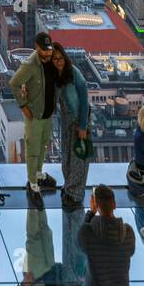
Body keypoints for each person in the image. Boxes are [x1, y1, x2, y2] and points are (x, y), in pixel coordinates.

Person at [9, 32, 60, 207]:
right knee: (32, 149)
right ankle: (32, 184)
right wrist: (23, 105)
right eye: (44, 50)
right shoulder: (30, 65)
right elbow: (14, 83)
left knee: (43, 145)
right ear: (37, 48)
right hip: (35, 115)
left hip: (48, 113)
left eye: (49, 49)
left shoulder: (52, 60)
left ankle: (38, 174)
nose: (47, 53)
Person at [51, 42, 91, 211]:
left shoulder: (75, 73)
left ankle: (75, 195)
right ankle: (69, 187)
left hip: (78, 121)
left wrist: (83, 126)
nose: (58, 62)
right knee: (66, 157)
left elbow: (84, 102)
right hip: (66, 122)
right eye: (55, 59)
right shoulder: (56, 75)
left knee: (78, 160)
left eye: (61, 58)